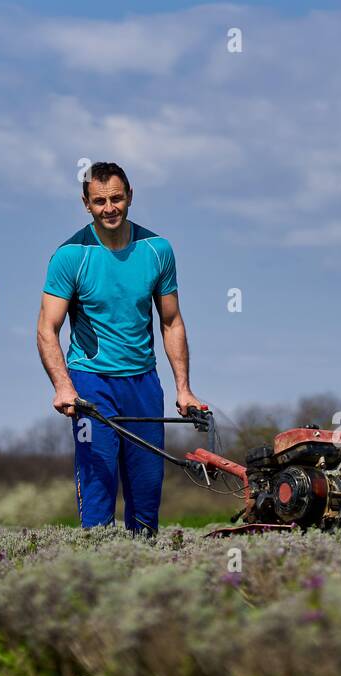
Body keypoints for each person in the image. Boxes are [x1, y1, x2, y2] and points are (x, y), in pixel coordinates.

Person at [35, 161, 204, 533]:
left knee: (146, 498)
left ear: (129, 196)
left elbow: (171, 321)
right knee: (98, 491)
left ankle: (141, 579)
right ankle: (98, 572)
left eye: (116, 198)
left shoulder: (158, 250)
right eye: (99, 201)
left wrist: (184, 390)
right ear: (86, 203)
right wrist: (63, 387)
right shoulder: (70, 256)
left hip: (143, 384)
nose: (109, 208)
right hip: (91, 385)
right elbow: (47, 328)